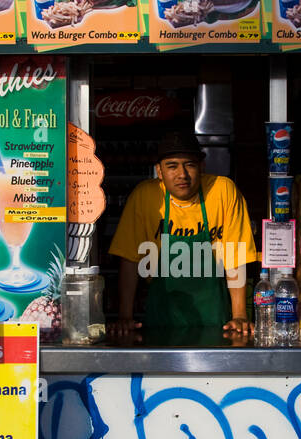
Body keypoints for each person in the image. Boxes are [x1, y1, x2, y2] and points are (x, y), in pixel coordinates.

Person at [108, 131, 257, 340]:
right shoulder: (145, 197)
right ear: (159, 171)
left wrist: (240, 315)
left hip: (217, 325)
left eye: (190, 164)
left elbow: (235, 257)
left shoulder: (223, 191)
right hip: (161, 323)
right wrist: (125, 315)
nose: (182, 174)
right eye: (172, 166)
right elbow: (130, 258)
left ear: (202, 167)